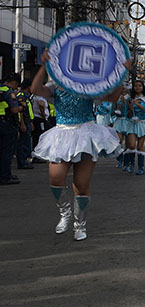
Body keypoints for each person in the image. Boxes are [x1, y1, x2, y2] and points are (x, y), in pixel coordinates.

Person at [31, 53, 125, 240]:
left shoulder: (90, 87)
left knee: (81, 185)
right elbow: (35, 89)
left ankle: (79, 224)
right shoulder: (54, 86)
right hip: (61, 135)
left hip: (86, 134)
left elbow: (113, 96)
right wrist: (43, 66)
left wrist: (122, 72)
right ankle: (65, 213)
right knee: (55, 179)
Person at [122, 80, 145, 175]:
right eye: (135, 86)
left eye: (139, 86)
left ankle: (141, 167)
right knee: (131, 145)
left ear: (143, 87)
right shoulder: (129, 99)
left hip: (142, 123)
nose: (137, 87)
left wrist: (139, 105)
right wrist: (130, 109)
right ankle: (131, 164)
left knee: (139, 146)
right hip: (131, 123)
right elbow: (126, 114)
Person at [0, 74, 23, 185]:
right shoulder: (9, 93)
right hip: (7, 125)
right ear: (13, 82)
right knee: (7, 151)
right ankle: (5, 176)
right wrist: (21, 107)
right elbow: (14, 110)